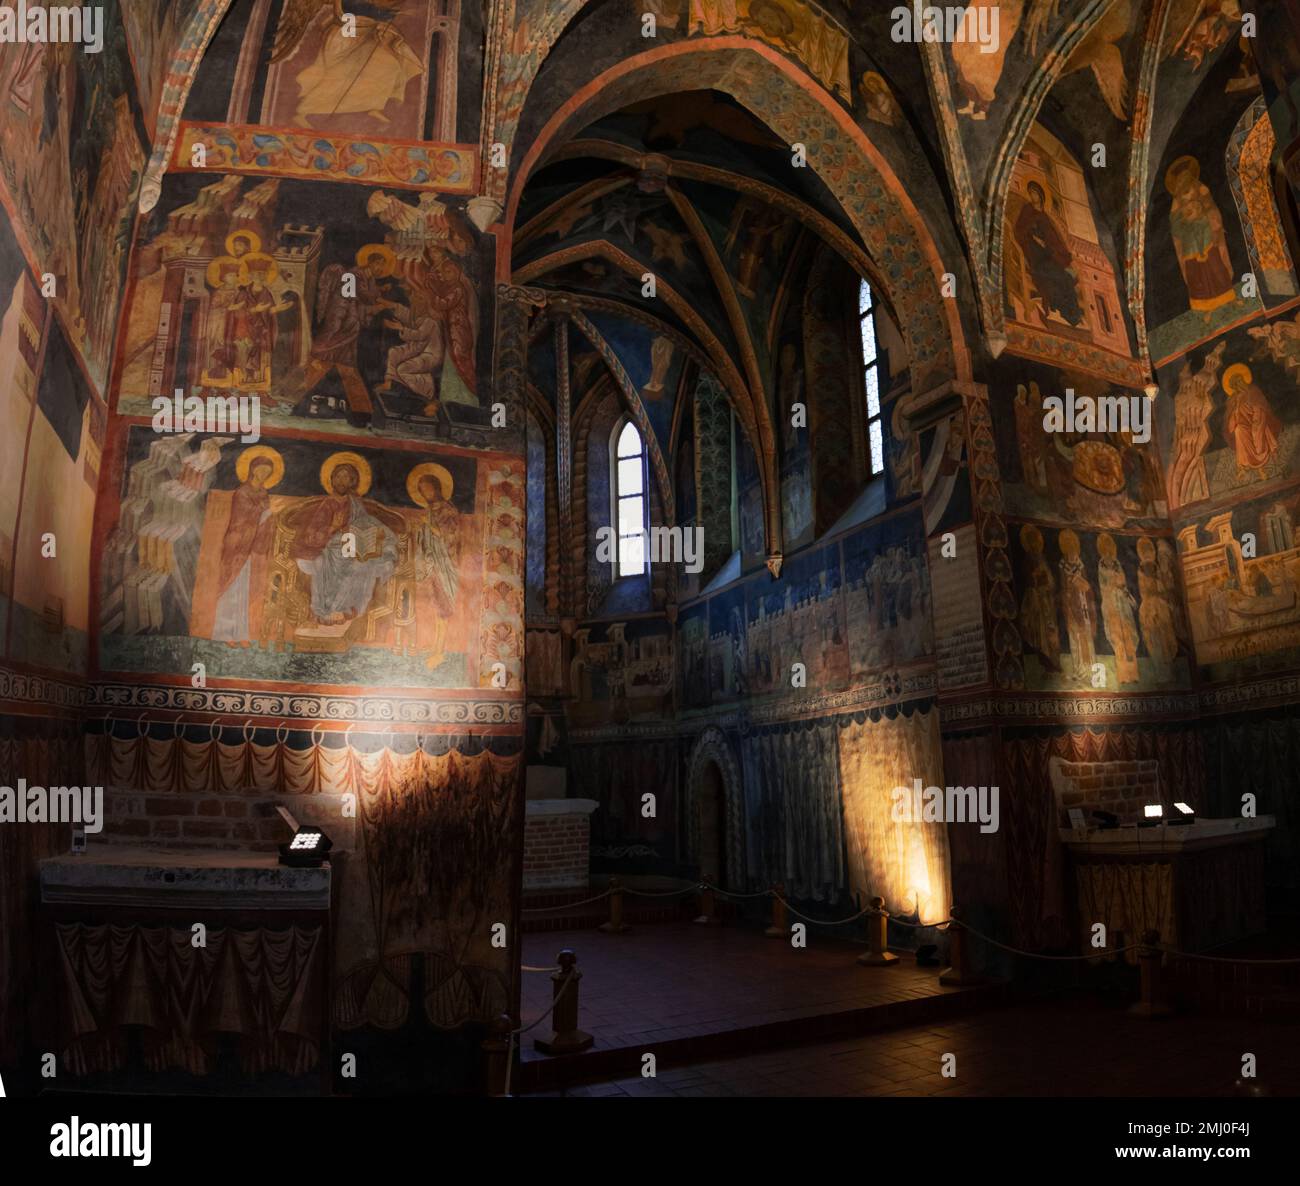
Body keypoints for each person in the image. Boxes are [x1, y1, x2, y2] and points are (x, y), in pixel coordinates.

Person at [1014, 182, 1085, 327]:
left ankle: (1072, 316)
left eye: (1034, 193)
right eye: (1030, 193)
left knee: (1065, 279)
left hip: (1049, 256)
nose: (1032, 196)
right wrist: (1034, 239)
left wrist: (1057, 252)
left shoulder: (1045, 216)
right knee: (1059, 278)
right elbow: (1019, 230)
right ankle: (1062, 312)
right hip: (1035, 257)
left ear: (1040, 195)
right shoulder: (1027, 210)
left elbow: (1054, 239)